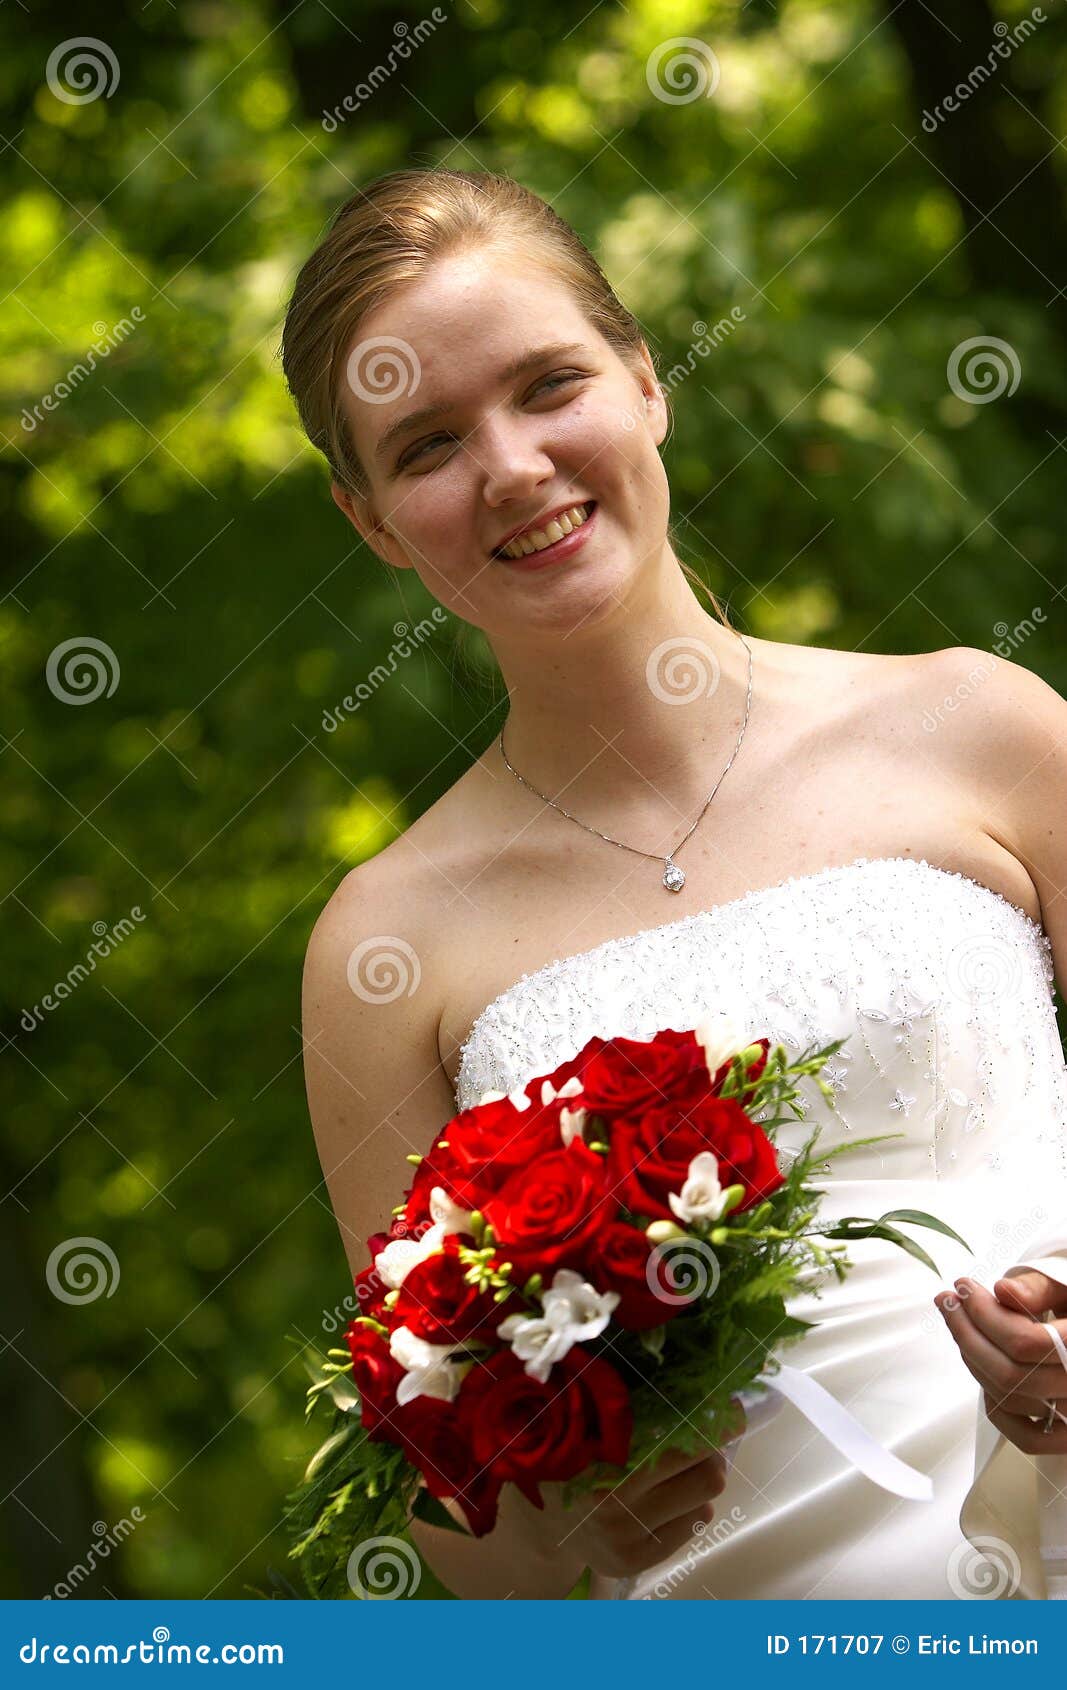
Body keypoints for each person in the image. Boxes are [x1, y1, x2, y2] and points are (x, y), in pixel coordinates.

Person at [284, 168, 1067, 1600]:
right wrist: (554, 1534)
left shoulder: (989, 729)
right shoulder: (381, 945)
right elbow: (456, 1503)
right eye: (429, 443)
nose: (513, 466)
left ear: (646, 380)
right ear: (373, 520)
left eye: (549, 385)